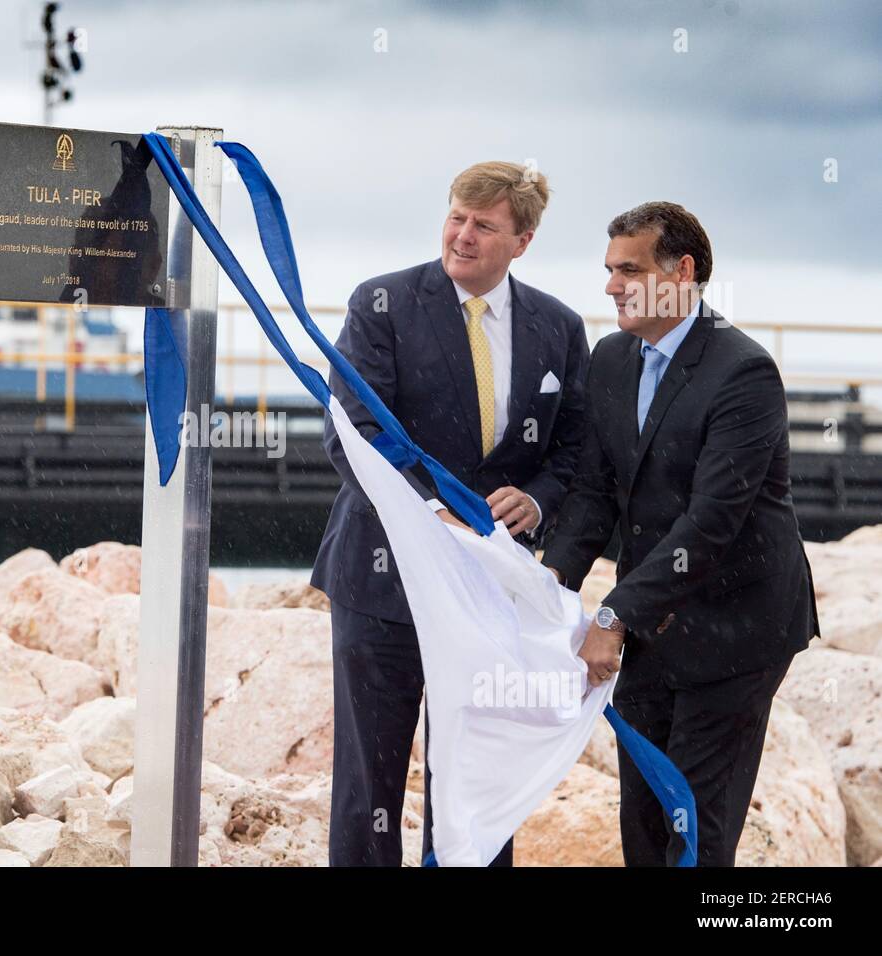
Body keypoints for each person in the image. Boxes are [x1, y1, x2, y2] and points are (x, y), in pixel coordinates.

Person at [311, 161, 589, 866]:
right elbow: (353, 434)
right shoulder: (381, 304)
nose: (462, 235)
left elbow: (578, 449)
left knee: (474, 780)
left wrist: (538, 499)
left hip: (492, 592)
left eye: (484, 225)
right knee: (369, 783)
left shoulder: (558, 327)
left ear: (521, 241)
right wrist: (434, 511)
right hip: (384, 578)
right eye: (456, 217)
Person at [541, 201, 819, 866]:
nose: (611, 285)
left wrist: (611, 613)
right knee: (642, 824)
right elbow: (593, 493)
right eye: (609, 270)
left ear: (682, 271)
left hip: (738, 627)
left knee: (693, 827)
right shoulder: (610, 358)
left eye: (628, 270)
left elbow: (712, 520)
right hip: (650, 628)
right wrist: (550, 583)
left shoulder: (743, 372)